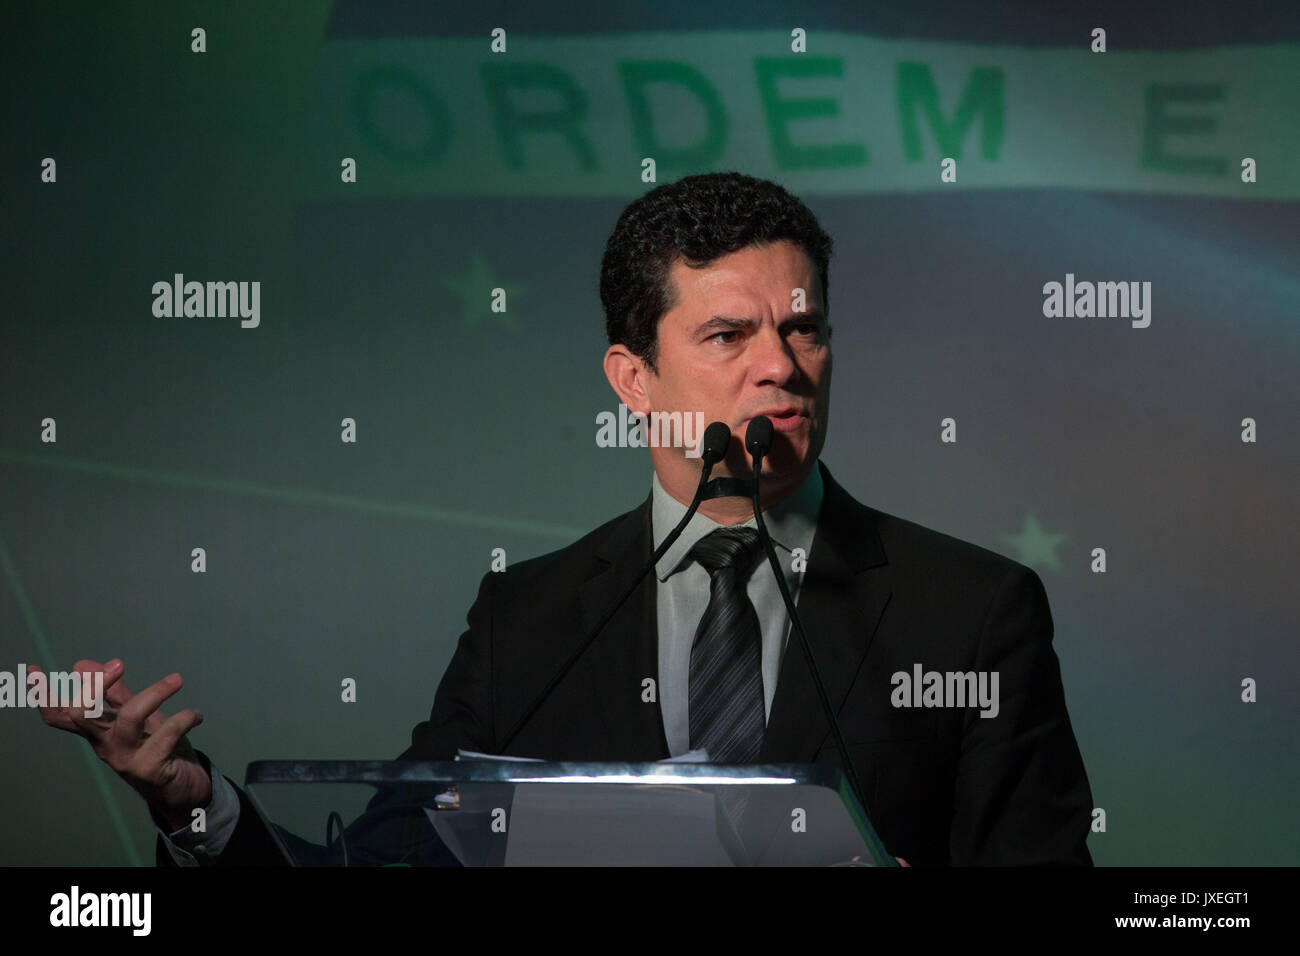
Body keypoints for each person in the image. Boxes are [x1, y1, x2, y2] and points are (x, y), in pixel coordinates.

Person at [39, 172, 1093, 866]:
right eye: (729, 335)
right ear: (633, 379)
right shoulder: (530, 618)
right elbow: (392, 863)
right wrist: (192, 803)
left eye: (803, 327)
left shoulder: (972, 610)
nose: (782, 364)